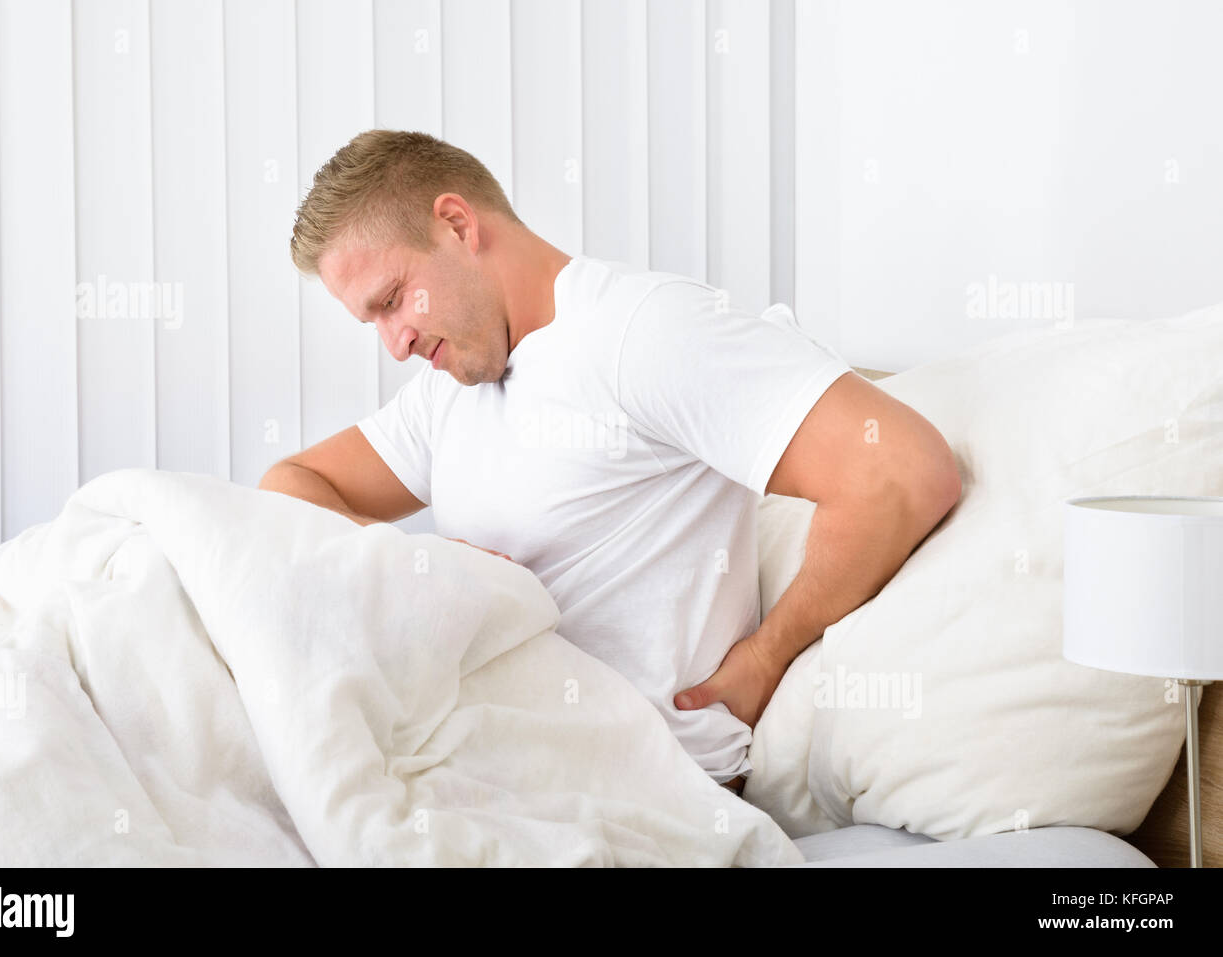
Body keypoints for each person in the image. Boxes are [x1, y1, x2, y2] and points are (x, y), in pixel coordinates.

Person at [260, 129, 961, 793]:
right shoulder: (451, 388)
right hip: (483, 766)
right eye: (373, 322)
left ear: (456, 224)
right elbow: (289, 486)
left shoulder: (642, 332)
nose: (396, 343)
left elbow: (900, 470)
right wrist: (433, 575)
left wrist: (768, 654)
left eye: (391, 302)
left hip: (633, 788)